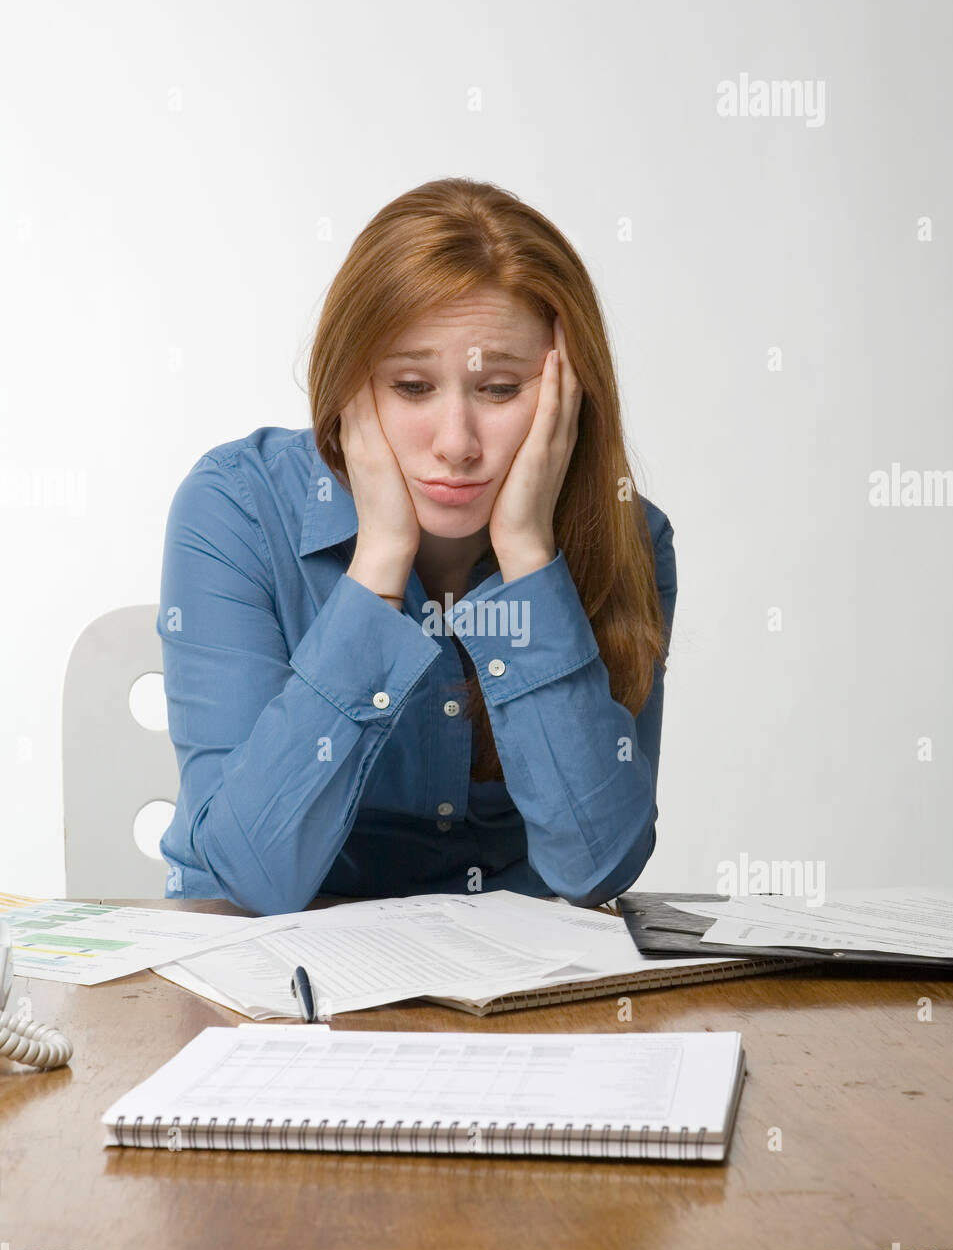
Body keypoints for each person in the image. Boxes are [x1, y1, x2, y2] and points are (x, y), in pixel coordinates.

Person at [157, 177, 676, 916]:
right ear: (348, 385)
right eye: (409, 385)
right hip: (269, 971)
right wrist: (377, 565)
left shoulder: (630, 538)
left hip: (515, 988)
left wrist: (529, 557)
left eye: (499, 389)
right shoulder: (233, 507)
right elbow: (252, 875)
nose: (457, 444)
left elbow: (594, 869)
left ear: (567, 393)